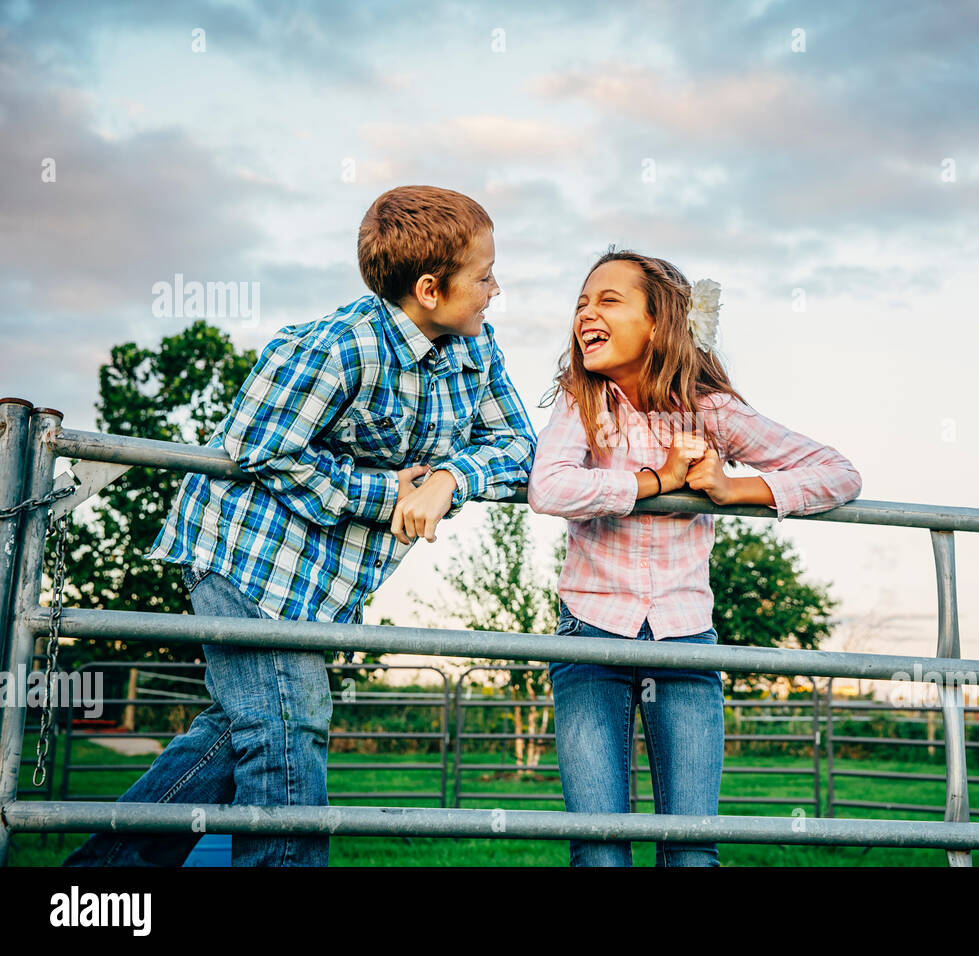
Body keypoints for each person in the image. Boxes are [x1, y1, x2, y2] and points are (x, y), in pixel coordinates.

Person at [64, 185, 536, 866]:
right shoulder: (340, 346)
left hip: (323, 583)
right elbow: (256, 445)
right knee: (291, 725)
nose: (497, 288)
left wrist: (450, 480)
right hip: (248, 559)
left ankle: (92, 881)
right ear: (430, 288)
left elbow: (517, 446)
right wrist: (382, 493)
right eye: (485, 275)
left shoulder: (477, 350)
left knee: (238, 735)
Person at [527, 248, 862, 866]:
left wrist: (737, 489)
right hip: (588, 639)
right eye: (580, 303)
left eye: (608, 300)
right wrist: (654, 482)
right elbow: (548, 488)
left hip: (685, 640)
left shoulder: (711, 411)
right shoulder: (582, 404)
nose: (585, 315)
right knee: (598, 851)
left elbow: (838, 474)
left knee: (691, 852)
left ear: (658, 323)